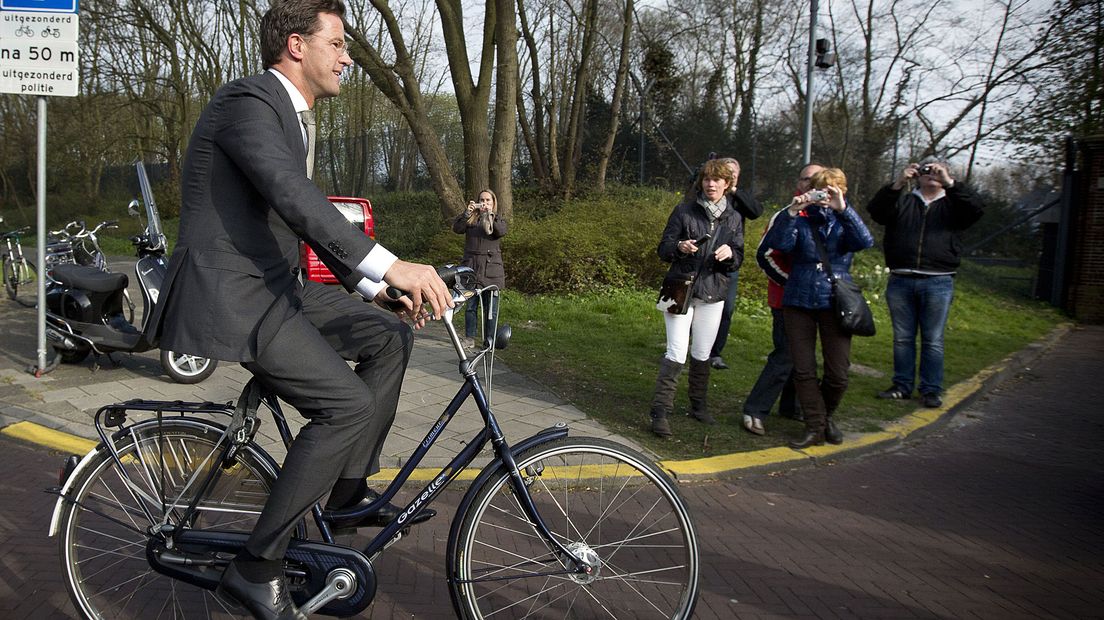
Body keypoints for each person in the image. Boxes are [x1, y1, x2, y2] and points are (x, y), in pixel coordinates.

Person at [150, 2, 453, 618]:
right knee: (345, 404)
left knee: (389, 335)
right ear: (295, 44)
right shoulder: (249, 103)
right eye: (338, 43)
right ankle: (255, 567)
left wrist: (376, 290)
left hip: (274, 284)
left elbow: (301, 215)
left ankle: (344, 496)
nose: (348, 57)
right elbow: (294, 198)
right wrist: (392, 262)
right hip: (236, 293)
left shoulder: (292, 116)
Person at [763, 168, 874, 448]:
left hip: (834, 303)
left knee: (838, 372)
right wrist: (792, 211)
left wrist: (843, 210)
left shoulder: (844, 222)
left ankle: (824, 417)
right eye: (821, 189)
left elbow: (865, 241)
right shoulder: (801, 220)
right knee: (803, 369)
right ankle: (815, 426)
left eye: (832, 189)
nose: (825, 195)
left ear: (842, 191)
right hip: (798, 300)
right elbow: (778, 244)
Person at [866, 157, 984, 408]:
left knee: (933, 338)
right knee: (902, 338)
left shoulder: (953, 205)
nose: (931, 174)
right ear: (917, 175)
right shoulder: (905, 201)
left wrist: (950, 183)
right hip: (901, 277)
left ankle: (931, 389)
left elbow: (975, 210)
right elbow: (877, 211)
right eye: (926, 170)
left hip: (938, 280)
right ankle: (902, 385)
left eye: (936, 171)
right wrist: (897, 183)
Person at [650, 159, 743, 437]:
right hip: (678, 288)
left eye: (717, 180)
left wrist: (730, 255)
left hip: (713, 292)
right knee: (676, 351)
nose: (710, 184)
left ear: (727, 184)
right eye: (706, 179)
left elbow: (738, 257)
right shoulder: (684, 210)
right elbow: (663, 248)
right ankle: (660, 412)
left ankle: (698, 406)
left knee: (702, 352)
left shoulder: (734, 218)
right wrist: (679, 246)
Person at [739, 163, 824, 435]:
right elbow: (765, 256)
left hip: (816, 301)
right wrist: (794, 283)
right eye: (807, 179)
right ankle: (755, 409)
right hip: (787, 300)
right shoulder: (786, 216)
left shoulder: (828, 215)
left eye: (817, 180)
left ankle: (792, 406)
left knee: (805, 355)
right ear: (798, 184)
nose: (812, 185)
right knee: (786, 354)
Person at [707, 157, 763, 370]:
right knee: (695, 303)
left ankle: (715, 353)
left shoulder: (740, 197)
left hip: (730, 261)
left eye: (732, 175)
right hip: (703, 258)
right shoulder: (708, 193)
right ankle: (686, 344)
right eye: (724, 173)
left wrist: (735, 191)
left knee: (726, 308)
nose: (727, 178)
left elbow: (756, 211)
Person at [453, 188, 507, 348]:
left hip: (491, 271)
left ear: (493, 203)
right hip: (471, 269)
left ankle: (489, 340)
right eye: (482, 200)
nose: (484, 203)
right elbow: (457, 229)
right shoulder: (470, 220)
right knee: (470, 306)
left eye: (488, 200)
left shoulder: (498, 220)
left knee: (491, 309)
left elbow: (501, 232)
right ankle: (469, 338)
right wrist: (466, 213)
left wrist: (489, 215)